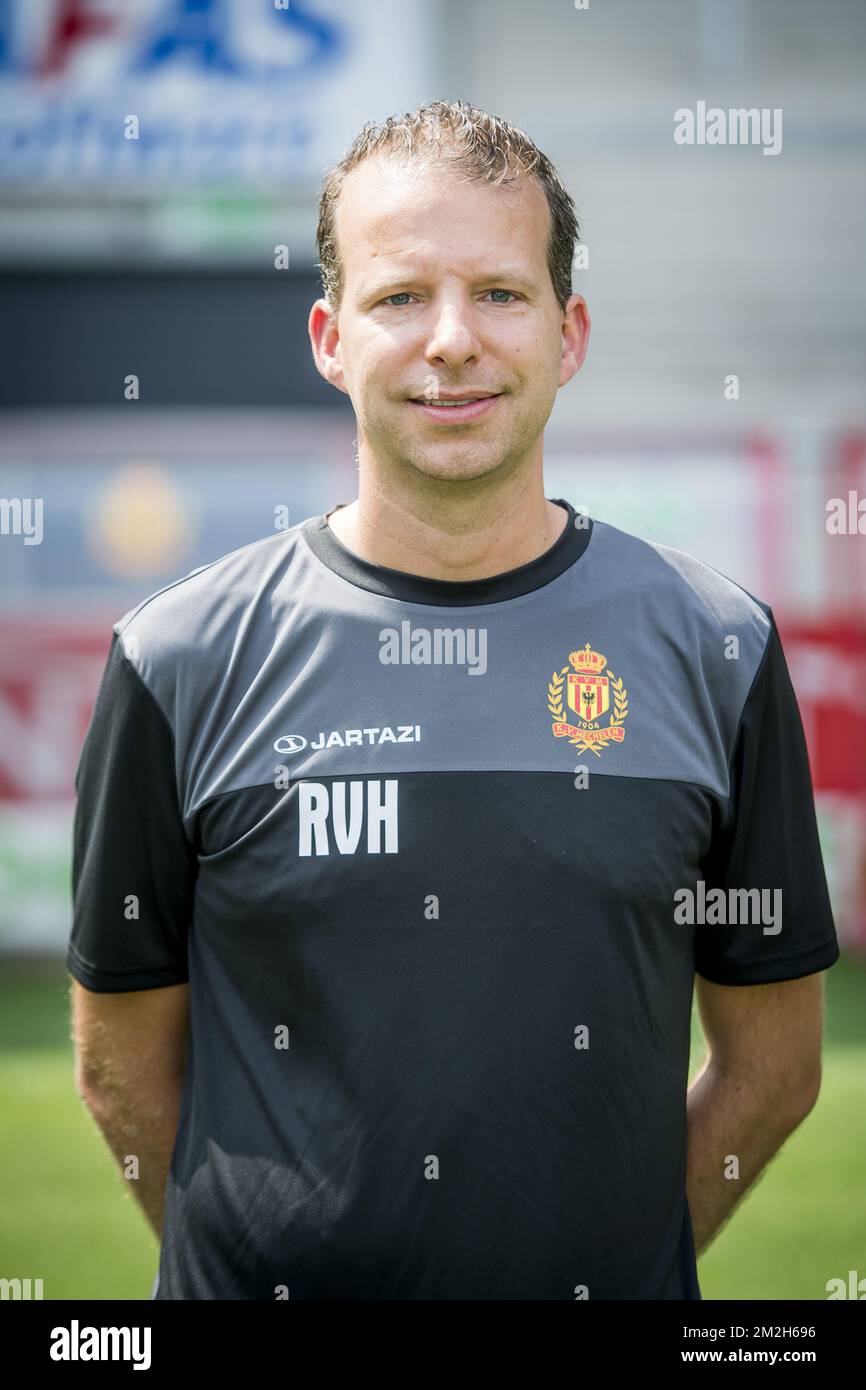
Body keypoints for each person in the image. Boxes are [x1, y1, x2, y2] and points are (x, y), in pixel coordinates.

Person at [68, 99, 839, 1300]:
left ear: (567, 332)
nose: (450, 341)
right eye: (398, 297)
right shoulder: (178, 655)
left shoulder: (716, 648)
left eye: (499, 292)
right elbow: (120, 1061)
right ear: (328, 336)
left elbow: (774, 1066)